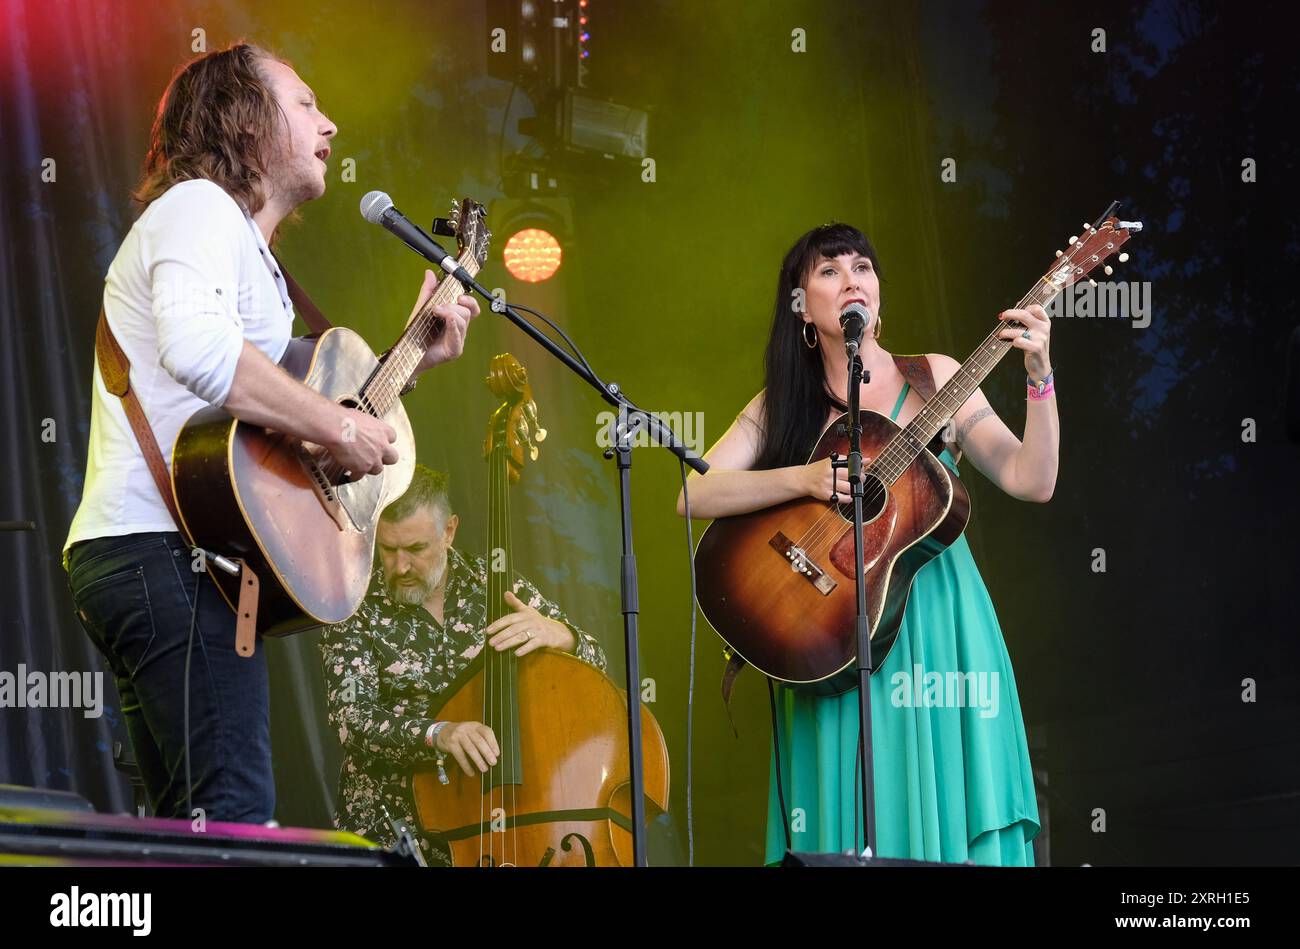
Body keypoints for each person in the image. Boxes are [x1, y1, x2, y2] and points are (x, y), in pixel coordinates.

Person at [63, 42, 479, 824]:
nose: (331, 123)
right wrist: (334, 427)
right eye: (305, 104)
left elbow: (299, 428)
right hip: (169, 554)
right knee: (234, 821)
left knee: (193, 830)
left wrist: (415, 357)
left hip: (173, 557)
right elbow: (199, 351)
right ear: (243, 119)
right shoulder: (199, 207)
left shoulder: (248, 256)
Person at [679, 222, 1055, 865]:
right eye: (829, 270)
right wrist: (804, 478)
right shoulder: (785, 404)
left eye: (863, 267)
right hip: (825, 634)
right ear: (800, 307)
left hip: (941, 624)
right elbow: (694, 494)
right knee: (847, 818)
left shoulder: (937, 376)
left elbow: (1031, 479)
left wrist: (1040, 376)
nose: (852, 278)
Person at [320, 465, 606, 861]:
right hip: (389, 828)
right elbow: (352, 720)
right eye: (388, 549)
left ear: (449, 531)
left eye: (416, 549)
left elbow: (596, 670)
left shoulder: (499, 587)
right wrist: (438, 733)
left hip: (495, 821)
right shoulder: (355, 606)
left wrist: (563, 635)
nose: (400, 567)